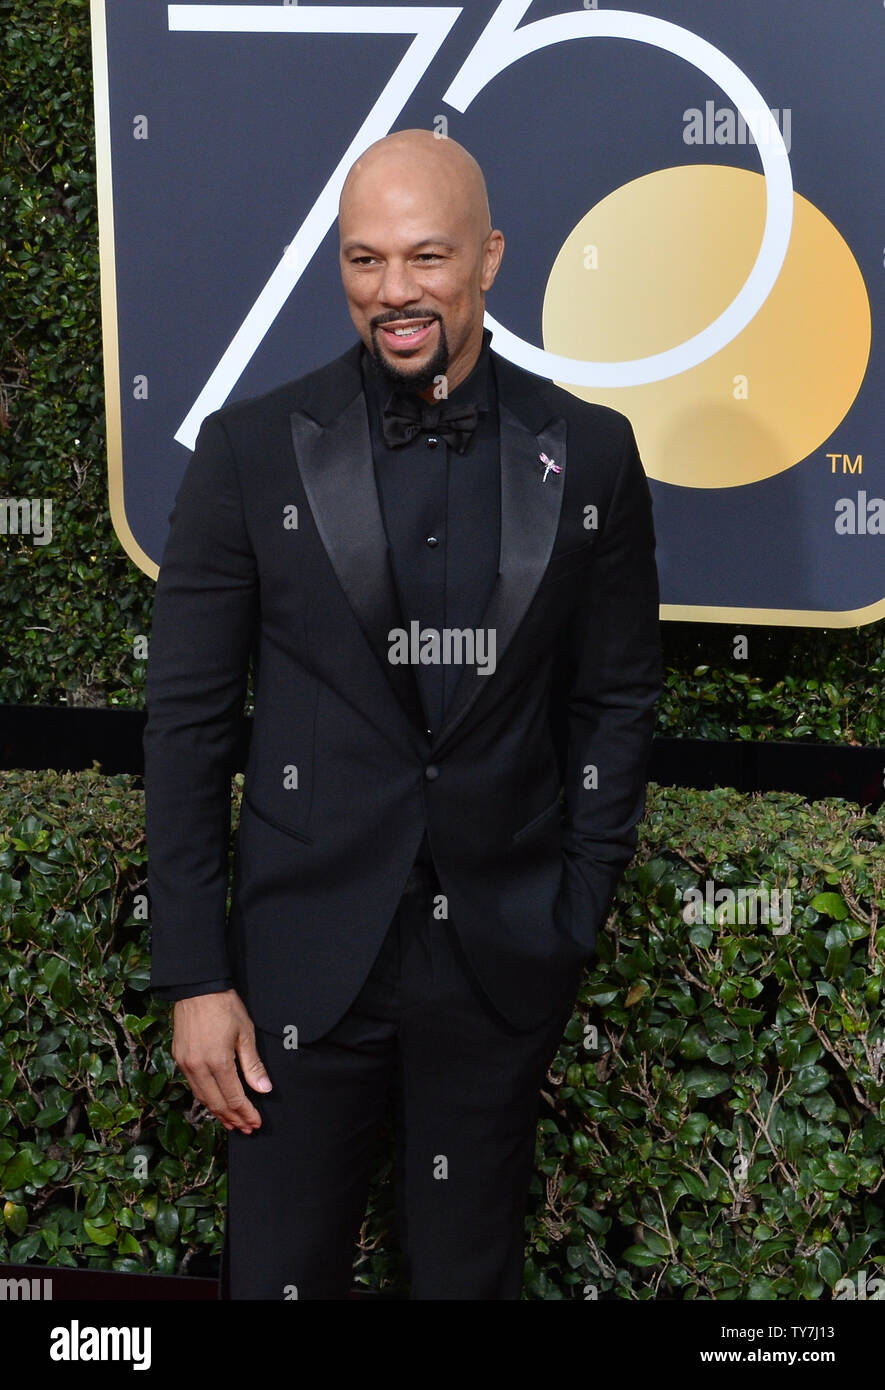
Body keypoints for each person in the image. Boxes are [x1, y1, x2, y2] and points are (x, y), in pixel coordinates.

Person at [143, 128, 662, 1300]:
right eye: (363, 259)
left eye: (425, 257)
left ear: (488, 256)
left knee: (468, 1282)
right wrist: (194, 975)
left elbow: (616, 696)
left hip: (497, 957)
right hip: (295, 971)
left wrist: (571, 906)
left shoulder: (589, 454)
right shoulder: (248, 453)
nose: (393, 292)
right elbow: (188, 726)